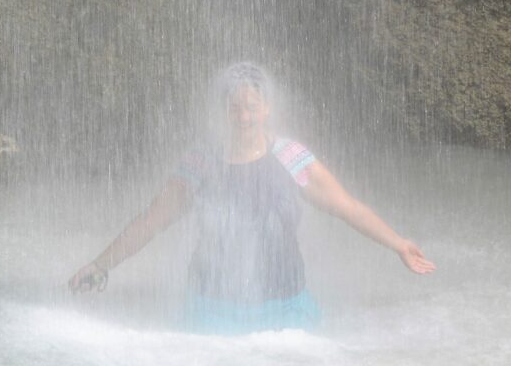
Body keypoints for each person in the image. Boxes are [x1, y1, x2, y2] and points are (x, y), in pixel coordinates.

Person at [68, 62, 434, 334]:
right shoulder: (200, 162)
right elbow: (151, 221)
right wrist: (100, 266)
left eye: (252, 106)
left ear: (267, 109)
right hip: (210, 313)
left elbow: (348, 207)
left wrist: (398, 243)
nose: (244, 116)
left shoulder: (291, 157)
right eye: (234, 107)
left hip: (286, 311)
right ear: (223, 110)